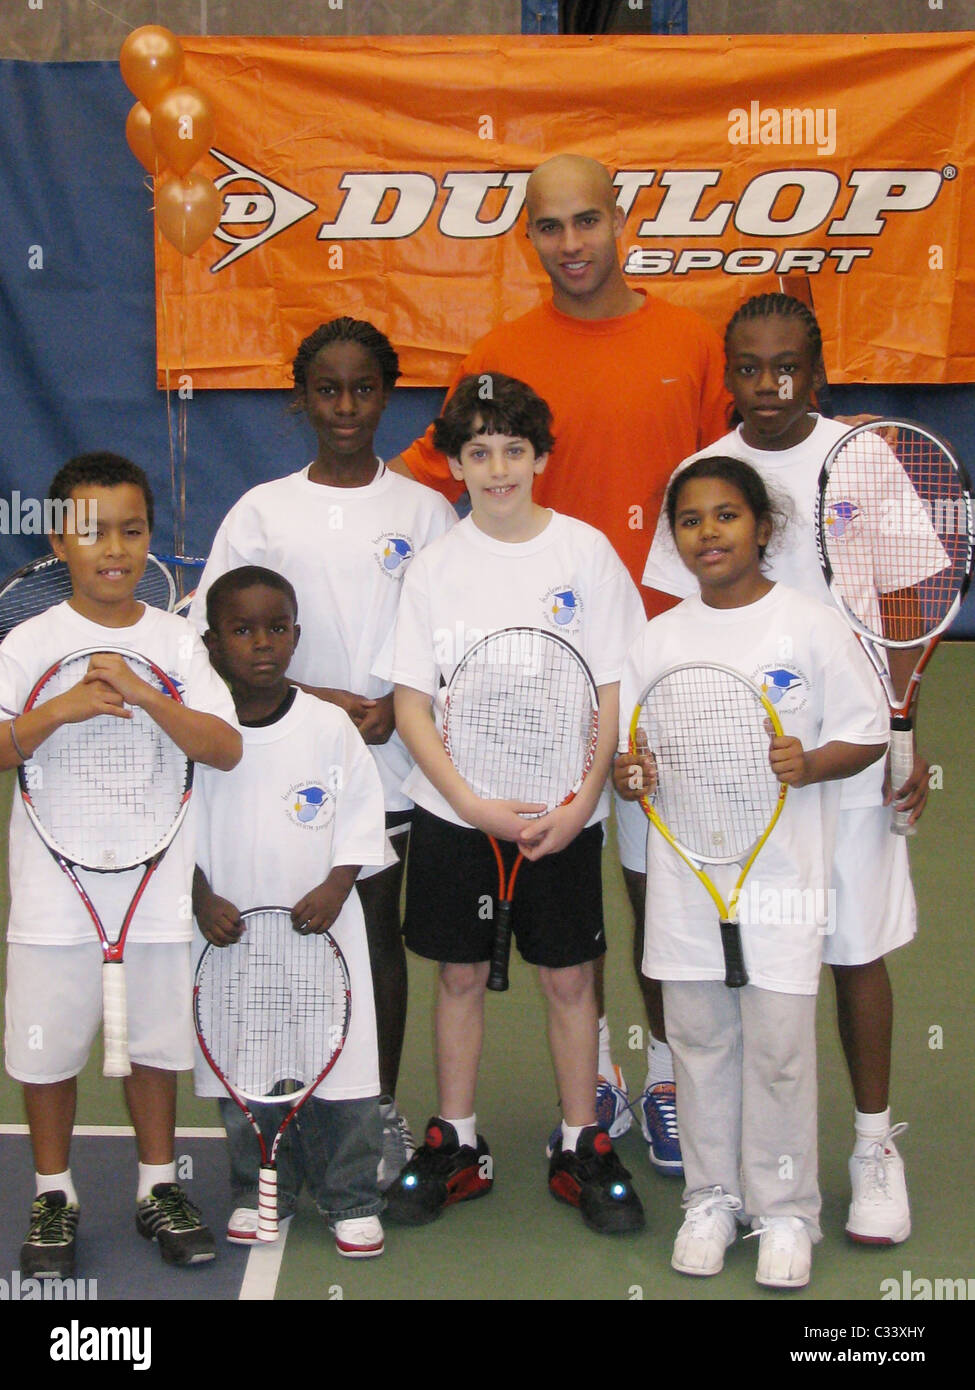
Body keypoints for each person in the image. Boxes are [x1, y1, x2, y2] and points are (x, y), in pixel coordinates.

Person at [388, 152, 731, 1162]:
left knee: (663, 890)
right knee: (569, 899)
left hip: (666, 671)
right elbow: (418, 484)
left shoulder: (688, 341)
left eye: (589, 221)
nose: (573, 244)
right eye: (551, 227)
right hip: (534, 713)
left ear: (621, 217)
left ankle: (670, 1073)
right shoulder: (501, 352)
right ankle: (600, 1090)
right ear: (527, 235)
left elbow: (737, 484)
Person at [642, 291, 929, 1244]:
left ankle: (871, 1145)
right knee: (723, 971)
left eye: (788, 367)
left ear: (818, 369)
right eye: (750, 369)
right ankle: (717, 1166)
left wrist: (897, 738)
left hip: (835, 754)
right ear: (726, 375)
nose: (768, 388)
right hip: (734, 782)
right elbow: (666, 629)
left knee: (855, 944)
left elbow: (900, 607)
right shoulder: (698, 471)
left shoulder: (865, 457)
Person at [189, 318, 456, 1188]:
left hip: (390, 765)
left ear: (388, 395)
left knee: (372, 933)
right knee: (274, 935)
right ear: (301, 398)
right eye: (328, 390)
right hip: (274, 771)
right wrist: (324, 706)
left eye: (364, 389)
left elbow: (448, 632)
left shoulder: (423, 511)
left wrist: (395, 707)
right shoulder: (262, 510)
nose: (346, 408)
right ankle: (277, 1100)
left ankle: (371, 1111)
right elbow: (210, 642)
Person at [384, 373, 646, 1235]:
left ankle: (580, 1142)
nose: (497, 468)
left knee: (570, 979)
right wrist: (466, 801)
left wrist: (580, 801)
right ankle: (457, 1141)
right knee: (457, 975)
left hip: (565, 818)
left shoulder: (586, 554)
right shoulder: (433, 570)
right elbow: (412, 705)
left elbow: (611, 688)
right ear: (455, 463)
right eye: (478, 452)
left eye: (513, 450)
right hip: (459, 819)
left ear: (540, 456)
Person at [616, 456, 887, 1287]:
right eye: (691, 520)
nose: (709, 533)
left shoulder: (807, 625)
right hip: (686, 886)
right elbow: (633, 755)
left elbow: (866, 731)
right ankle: (711, 1198)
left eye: (726, 516)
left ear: (762, 527)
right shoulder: (656, 641)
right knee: (696, 1039)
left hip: (780, 883)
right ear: (674, 539)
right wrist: (634, 776)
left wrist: (809, 763)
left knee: (776, 1050)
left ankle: (783, 1211)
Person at [0, 453, 242, 1278]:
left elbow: (225, 746)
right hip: (52, 898)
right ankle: (54, 1194)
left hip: (156, 895)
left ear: (150, 540)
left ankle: (154, 1186)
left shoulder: (177, 640)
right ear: (59, 542)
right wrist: (55, 712)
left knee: (154, 1048)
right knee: (46, 1052)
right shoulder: (28, 643)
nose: (115, 548)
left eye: (132, 530)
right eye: (92, 530)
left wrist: (147, 694)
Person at [192, 566, 390, 1257]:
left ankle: (353, 1197)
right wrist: (200, 897)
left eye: (276, 627)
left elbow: (363, 818)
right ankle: (258, 1191)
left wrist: (338, 886)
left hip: (323, 937)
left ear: (296, 634)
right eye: (242, 630)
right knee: (247, 1068)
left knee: (340, 1070)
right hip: (233, 941)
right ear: (213, 644)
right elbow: (178, 828)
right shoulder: (201, 733)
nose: (262, 644)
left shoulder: (329, 727)